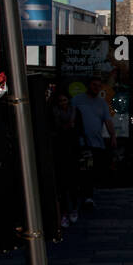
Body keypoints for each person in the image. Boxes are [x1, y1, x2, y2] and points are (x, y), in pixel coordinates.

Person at [72, 76, 116, 208]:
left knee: (94, 169)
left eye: (98, 86)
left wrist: (113, 135)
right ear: (88, 86)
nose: (96, 88)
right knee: (86, 169)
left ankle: (87, 193)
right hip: (82, 141)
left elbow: (108, 121)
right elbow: (72, 118)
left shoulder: (101, 103)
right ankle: (87, 196)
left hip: (97, 142)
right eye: (94, 85)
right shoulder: (77, 100)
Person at [51, 89, 81, 226]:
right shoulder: (53, 114)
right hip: (59, 151)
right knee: (62, 185)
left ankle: (74, 209)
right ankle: (63, 213)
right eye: (60, 101)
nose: (63, 103)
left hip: (73, 151)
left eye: (64, 100)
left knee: (73, 183)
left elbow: (80, 130)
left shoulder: (75, 112)